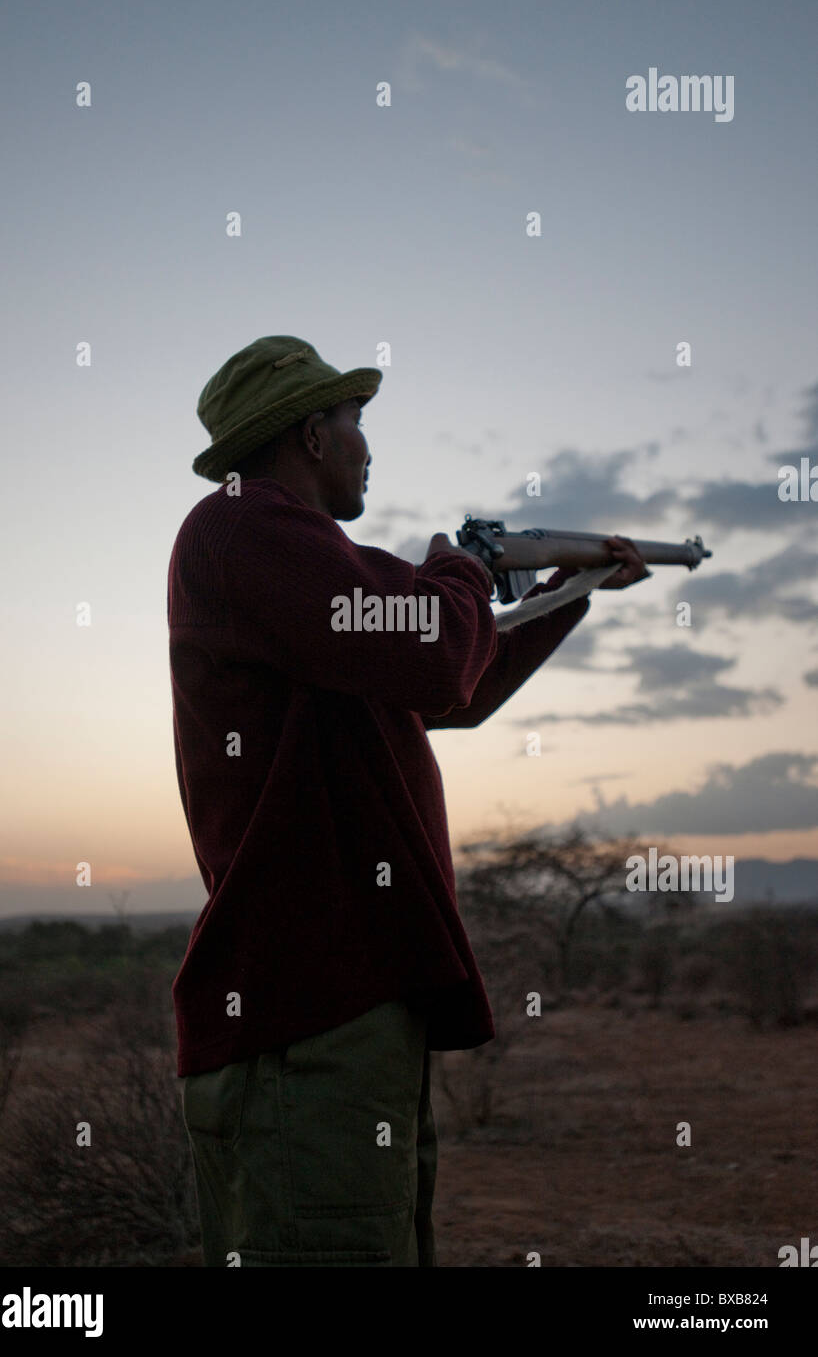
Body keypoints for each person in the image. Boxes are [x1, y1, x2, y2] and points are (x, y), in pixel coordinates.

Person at [167, 334, 650, 1268]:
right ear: (312, 435)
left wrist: (570, 590)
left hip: (344, 1009)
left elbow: (451, 689)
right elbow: (435, 643)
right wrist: (464, 565)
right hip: (302, 1020)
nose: (367, 446)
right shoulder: (240, 526)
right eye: (355, 422)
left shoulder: (308, 569)